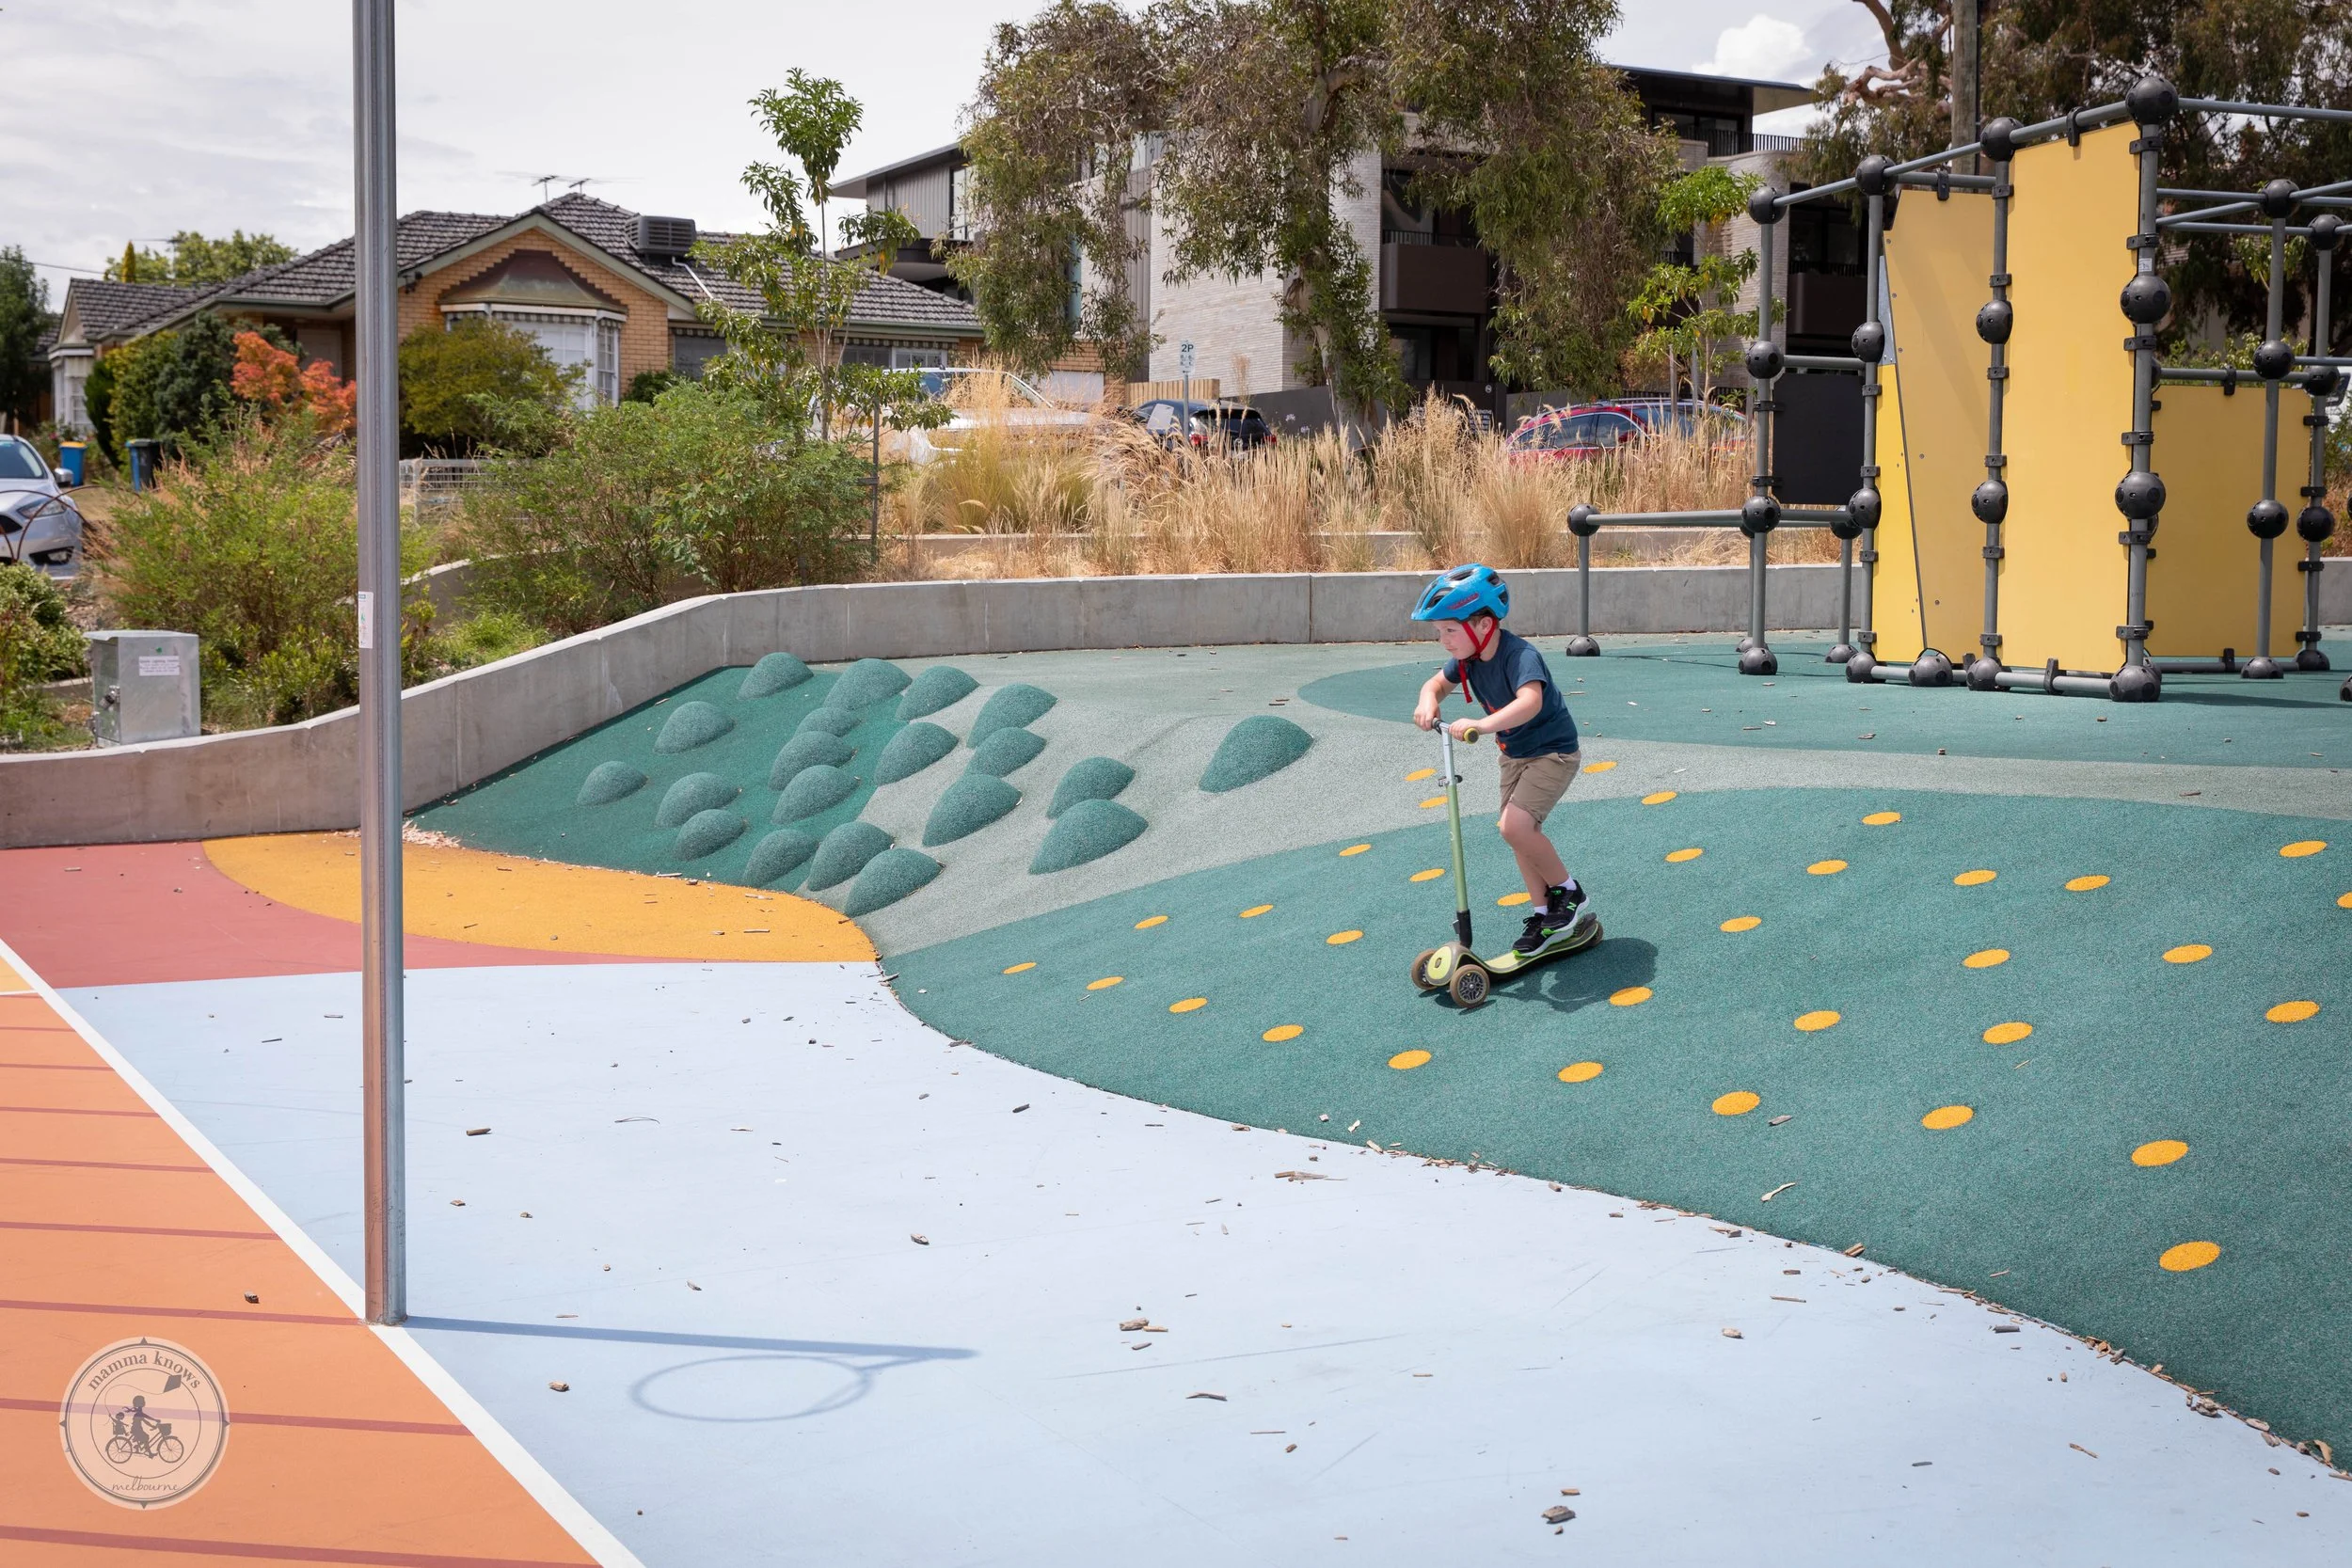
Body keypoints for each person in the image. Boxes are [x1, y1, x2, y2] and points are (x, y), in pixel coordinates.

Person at [1408, 563, 1593, 958]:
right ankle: (1544, 914)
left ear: (1484, 624)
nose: (1444, 640)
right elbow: (1435, 684)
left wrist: (1483, 723)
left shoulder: (1519, 655)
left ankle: (1570, 893)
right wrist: (1428, 702)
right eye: (1439, 632)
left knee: (1514, 827)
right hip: (1514, 757)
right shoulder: (1466, 661)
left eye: (1450, 630)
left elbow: (1531, 702)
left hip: (1552, 752)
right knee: (1517, 836)